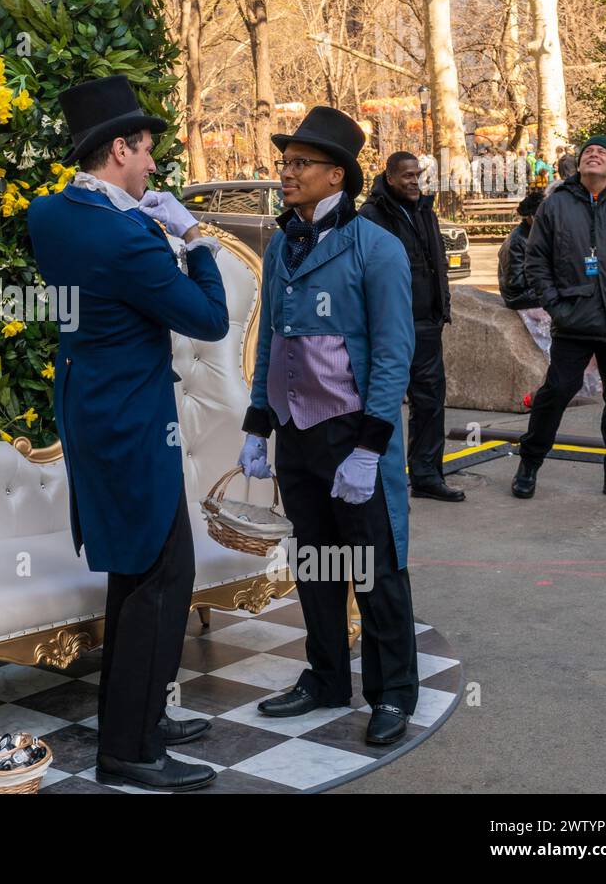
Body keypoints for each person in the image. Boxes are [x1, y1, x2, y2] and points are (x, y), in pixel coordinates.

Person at [27, 74, 229, 792]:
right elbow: (209, 318)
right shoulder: (128, 238)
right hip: (134, 424)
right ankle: (130, 749)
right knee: (155, 575)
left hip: (91, 410)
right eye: (145, 153)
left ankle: (146, 710)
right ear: (118, 149)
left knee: (146, 568)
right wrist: (194, 236)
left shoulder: (50, 214)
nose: (153, 168)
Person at [236, 106, 419, 747]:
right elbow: (271, 343)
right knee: (315, 561)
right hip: (297, 431)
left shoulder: (378, 247)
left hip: (353, 433)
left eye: (299, 164)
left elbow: (395, 354)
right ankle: (326, 677)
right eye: (285, 163)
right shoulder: (284, 241)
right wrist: (258, 423)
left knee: (374, 567)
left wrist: (371, 447)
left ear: (336, 173)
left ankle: (392, 693)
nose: (286, 173)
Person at [513, 135, 606, 500]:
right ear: (579, 165)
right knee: (556, 393)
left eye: (602, 152)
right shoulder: (556, 206)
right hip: (575, 319)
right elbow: (536, 262)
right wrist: (556, 305)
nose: (594, 154)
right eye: (588, 152)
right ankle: (529, 462)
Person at [358, 152, 463, 501]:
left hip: (427, 324)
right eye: (406, 175)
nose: (414, 181)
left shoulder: (425, 210)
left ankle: (427, 475)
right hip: (391, 327)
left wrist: (441, 307)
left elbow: (438, 264)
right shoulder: (372, 216)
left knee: (430, 402)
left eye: (417, 175)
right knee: (382, 403)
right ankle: (377, 479)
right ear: (388, 177)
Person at [498, 191, 545, 310]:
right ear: (529, 216)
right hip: (518, 296)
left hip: (530, 290)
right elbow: (515, 282)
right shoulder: (517, 240)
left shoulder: (533, 233)